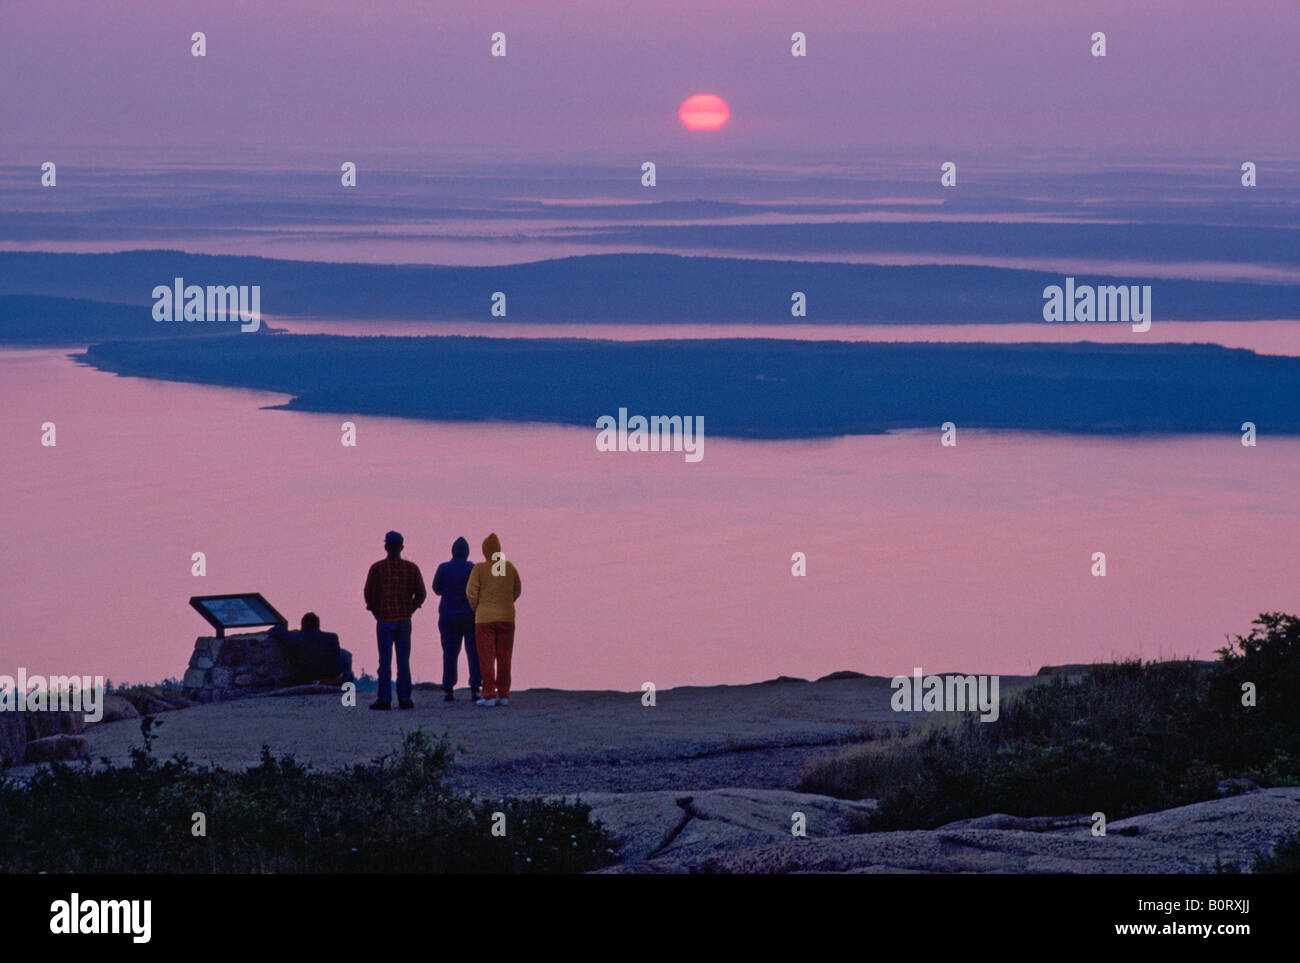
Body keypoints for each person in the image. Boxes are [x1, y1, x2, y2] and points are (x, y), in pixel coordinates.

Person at [363, 530, 427, 710]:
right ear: (402, 547)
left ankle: (384, 699)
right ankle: (405, 698)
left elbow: (369, 593)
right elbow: (421, 593)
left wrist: (376, 611)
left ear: (385, 547)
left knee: (384, 662)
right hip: (405, 620)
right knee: (403, 661)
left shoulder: (377, 568)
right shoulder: (411, 568)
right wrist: (411, 609)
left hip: (384, 620)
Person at [466, 532, 521, 707]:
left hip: (484, 619)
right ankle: (504, 694)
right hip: (507, 617)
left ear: (484, 550)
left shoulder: (479, 569)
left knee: (486, 657)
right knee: (505, 657)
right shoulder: (509, 567)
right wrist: (506, 602)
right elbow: (517, 589)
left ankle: (489, 694)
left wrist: (477, 608)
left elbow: (471, 591)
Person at [432, 536, 481, 703]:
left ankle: (448, 689)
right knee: (474, 652)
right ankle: (475, 688)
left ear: (452, 552)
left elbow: (436, 589)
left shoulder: (443, 568)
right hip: (470, 616)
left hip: (448, 616)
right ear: (467, 553)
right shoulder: (472, 569)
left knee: (450, 654)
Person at [267, 612, 352, 685]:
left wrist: (294, 632)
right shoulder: (332, 637)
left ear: (302, 625)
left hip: (307, 678)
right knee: (344, 656)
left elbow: (273, 630)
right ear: (318, 625)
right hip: (332, 677)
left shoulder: (296, 637)